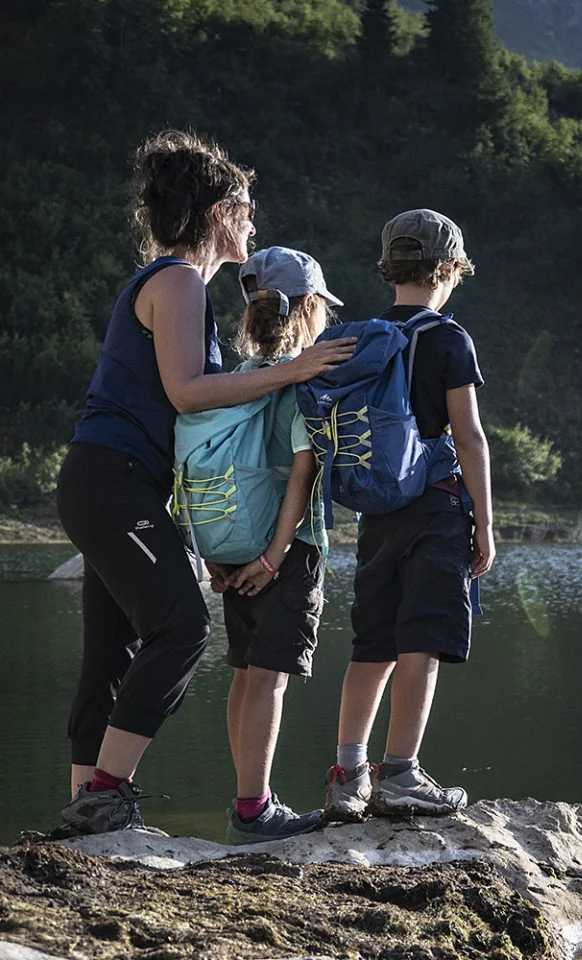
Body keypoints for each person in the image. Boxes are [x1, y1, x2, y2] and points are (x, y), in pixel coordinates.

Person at [57, 130, 354, 836]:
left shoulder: (176, 284)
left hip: (108, 483)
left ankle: (87, 810)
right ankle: (110, 788)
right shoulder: (178, 281)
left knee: (111, 648)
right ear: (218, 210)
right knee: (182, 627)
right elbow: (188, 392)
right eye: (246, 204)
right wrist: (295, 370)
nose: (253, 218)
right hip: (113, 480)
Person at [323, 209, 494, 822]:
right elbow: (469, 438)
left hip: (379, 509)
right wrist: (486, 523)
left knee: (373, 642)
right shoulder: (449, 338)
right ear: (449, 269)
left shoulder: (360, 337)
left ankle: (348, 776)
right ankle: (401, 776)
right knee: (421, 641)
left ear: (390, 267)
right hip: (437, 507)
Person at [208, 247, 341, 843]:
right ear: (310, 308)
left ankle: (246, 800)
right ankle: (255, 810)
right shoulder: (304, 382)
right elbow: (302, 472)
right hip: (284, 552)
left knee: (244, 672)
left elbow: (202, 463)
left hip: (231, 544)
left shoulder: (232, 380)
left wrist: (217, 551)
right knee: (270, 679)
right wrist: (276, 557)